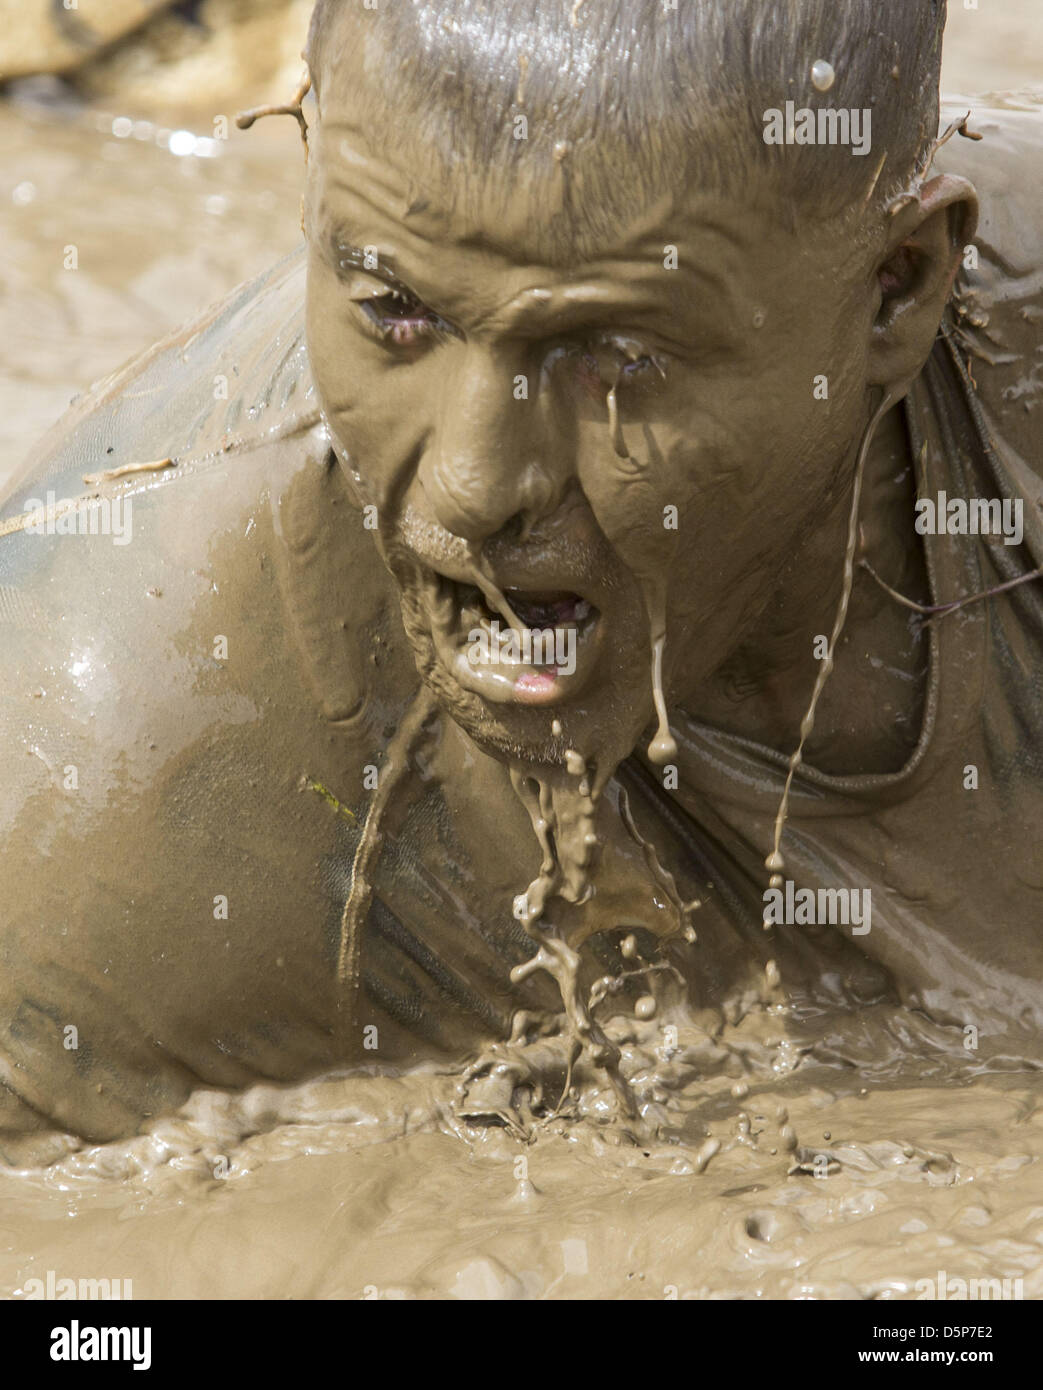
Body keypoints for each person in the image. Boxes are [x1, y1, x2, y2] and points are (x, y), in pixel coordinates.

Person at [1, 0, 1040, 1159]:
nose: (467, 489)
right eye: (394, 312)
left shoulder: (1015, 365)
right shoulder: (105, 756)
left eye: (621, 357)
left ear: (895, 293)